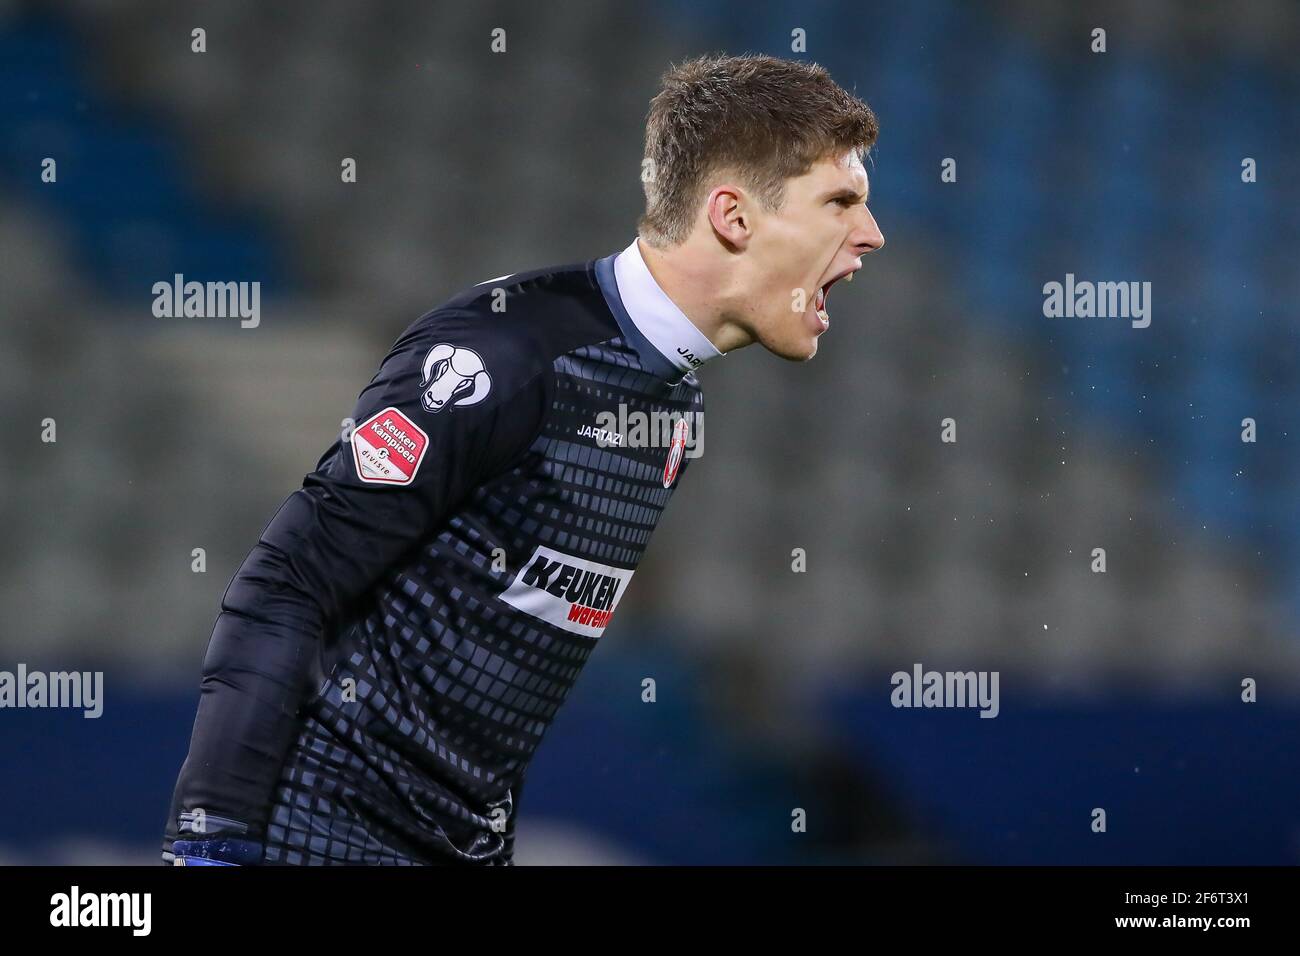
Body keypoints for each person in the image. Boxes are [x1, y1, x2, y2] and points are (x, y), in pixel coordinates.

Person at [164, 52, 885, 866]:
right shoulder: (504, 354)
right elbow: (287, 585)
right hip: (319, 840)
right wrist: (213, 840)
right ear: (735, 216)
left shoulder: (674, 413)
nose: (870, 234)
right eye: (840, 202)